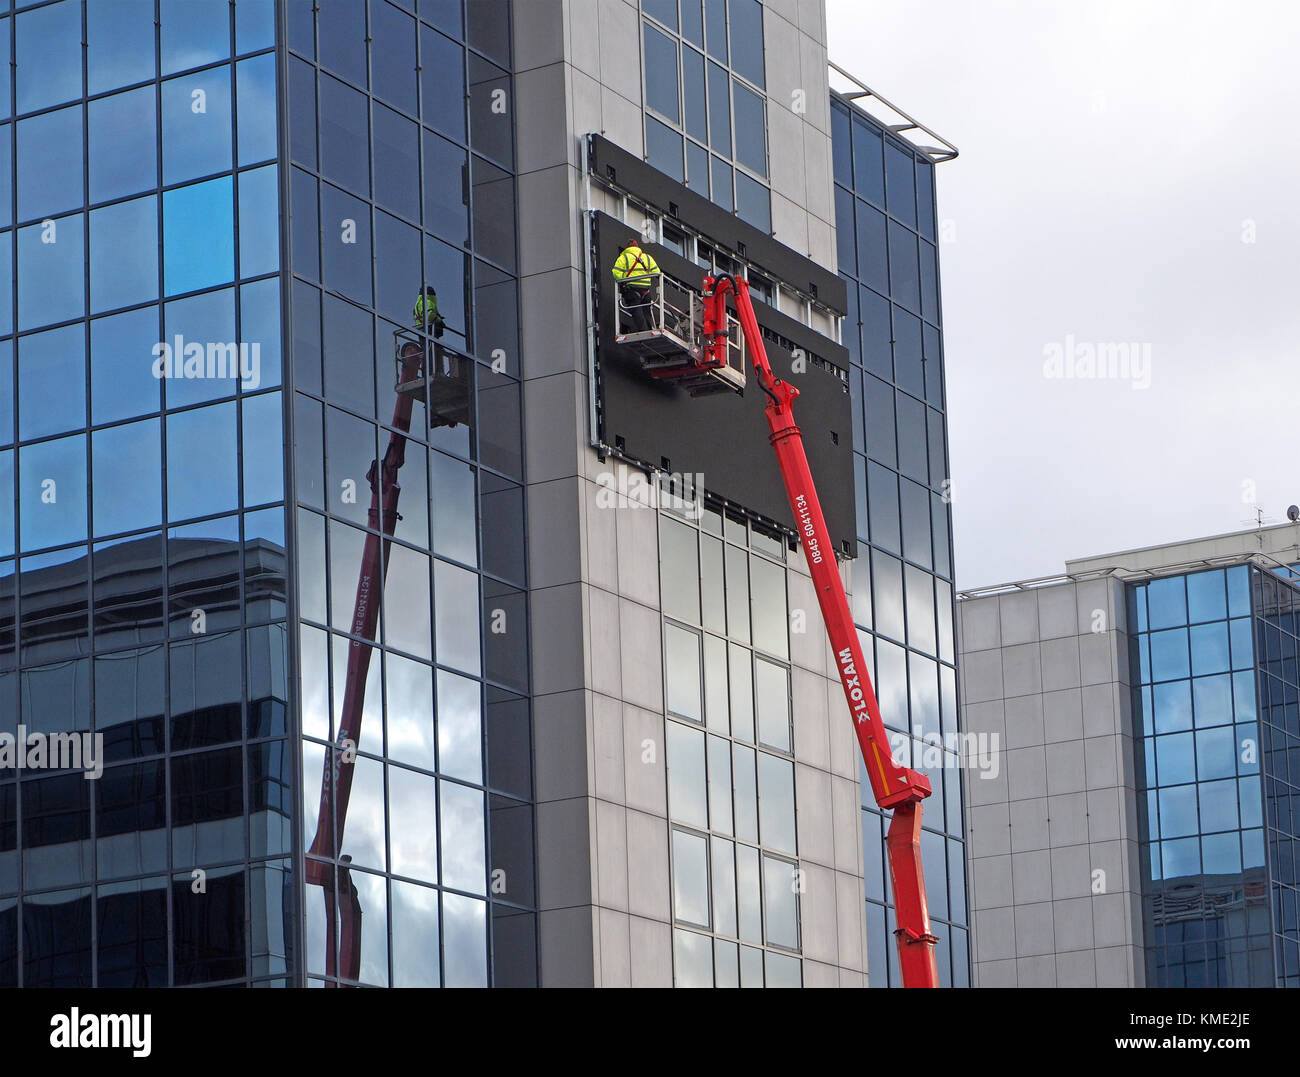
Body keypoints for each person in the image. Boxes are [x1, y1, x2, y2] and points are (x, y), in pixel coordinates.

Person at [611, 238, 661, 332]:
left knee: (637, 312)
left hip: (632, 290)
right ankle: (649, 330)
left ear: (628, 247)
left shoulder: (624, 258)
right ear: (637, 247)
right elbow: (657, 272)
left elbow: (616, 273)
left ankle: (644, 332)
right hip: (646, 291)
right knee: (646, 313)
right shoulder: (647, 257)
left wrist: (622, 281)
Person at [412, 286, 451, 376]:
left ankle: (428, 373)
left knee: (428, 351)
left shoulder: (418, 303)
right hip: (429, 330)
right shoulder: (428, 302)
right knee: (434, 351)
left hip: (422, 330)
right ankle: (436, 371)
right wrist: (439, 320)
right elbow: (429, 315)